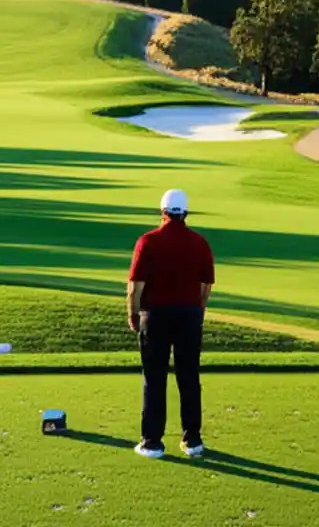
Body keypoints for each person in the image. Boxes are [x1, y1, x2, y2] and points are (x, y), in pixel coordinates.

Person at [127, 188, 215, 459]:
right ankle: (193, 441)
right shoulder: (200, 243)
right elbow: (206, 286)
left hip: (155, 316)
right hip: (189, 316)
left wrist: (133, 314)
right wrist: (197, 309)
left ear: (162, 211)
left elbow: (134, 287)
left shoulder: (148, 241)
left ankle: (152, 442)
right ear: (185, 213)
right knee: (189, 376)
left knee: (154, 378)